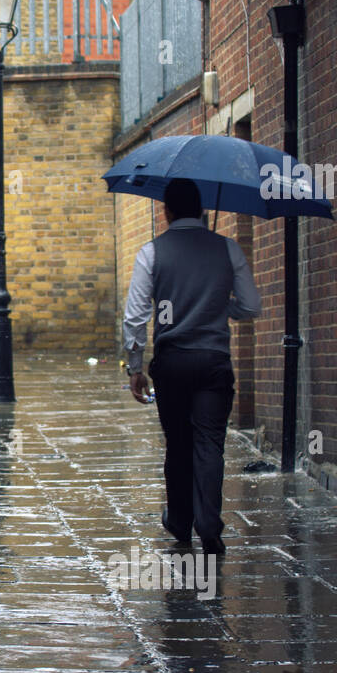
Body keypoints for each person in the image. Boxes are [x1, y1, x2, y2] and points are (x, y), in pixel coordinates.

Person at [122, 178, 261, 555]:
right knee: (210, 443)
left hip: (173, 364)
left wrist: (135, 367)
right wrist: (217, 305)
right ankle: (210, 524)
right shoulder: (227, 248)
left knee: (178, 443)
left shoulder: (151, 252)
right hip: (214, 362)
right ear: (202, 210)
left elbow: (135, 317)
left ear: (166, 212)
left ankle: (180, 521)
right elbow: (251, 306)